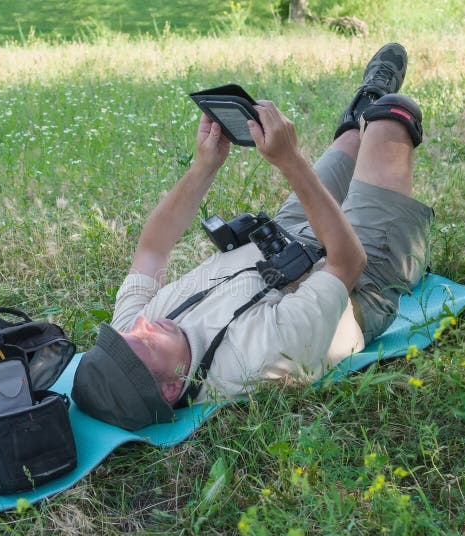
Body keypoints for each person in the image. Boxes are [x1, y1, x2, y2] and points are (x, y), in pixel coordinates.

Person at [71, 43, 433, 430]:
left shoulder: (133, 333)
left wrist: (204, 166)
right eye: (142, 344)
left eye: (128, 333)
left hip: (279, 240)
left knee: (351, 139)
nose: (141, 326)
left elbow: (151, 250)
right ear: (172, 388)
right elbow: (347, 261)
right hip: (358, 280)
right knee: (394, 117)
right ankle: (379, 108)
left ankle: (366, 102)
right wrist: (289, 161)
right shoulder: (258, 357)